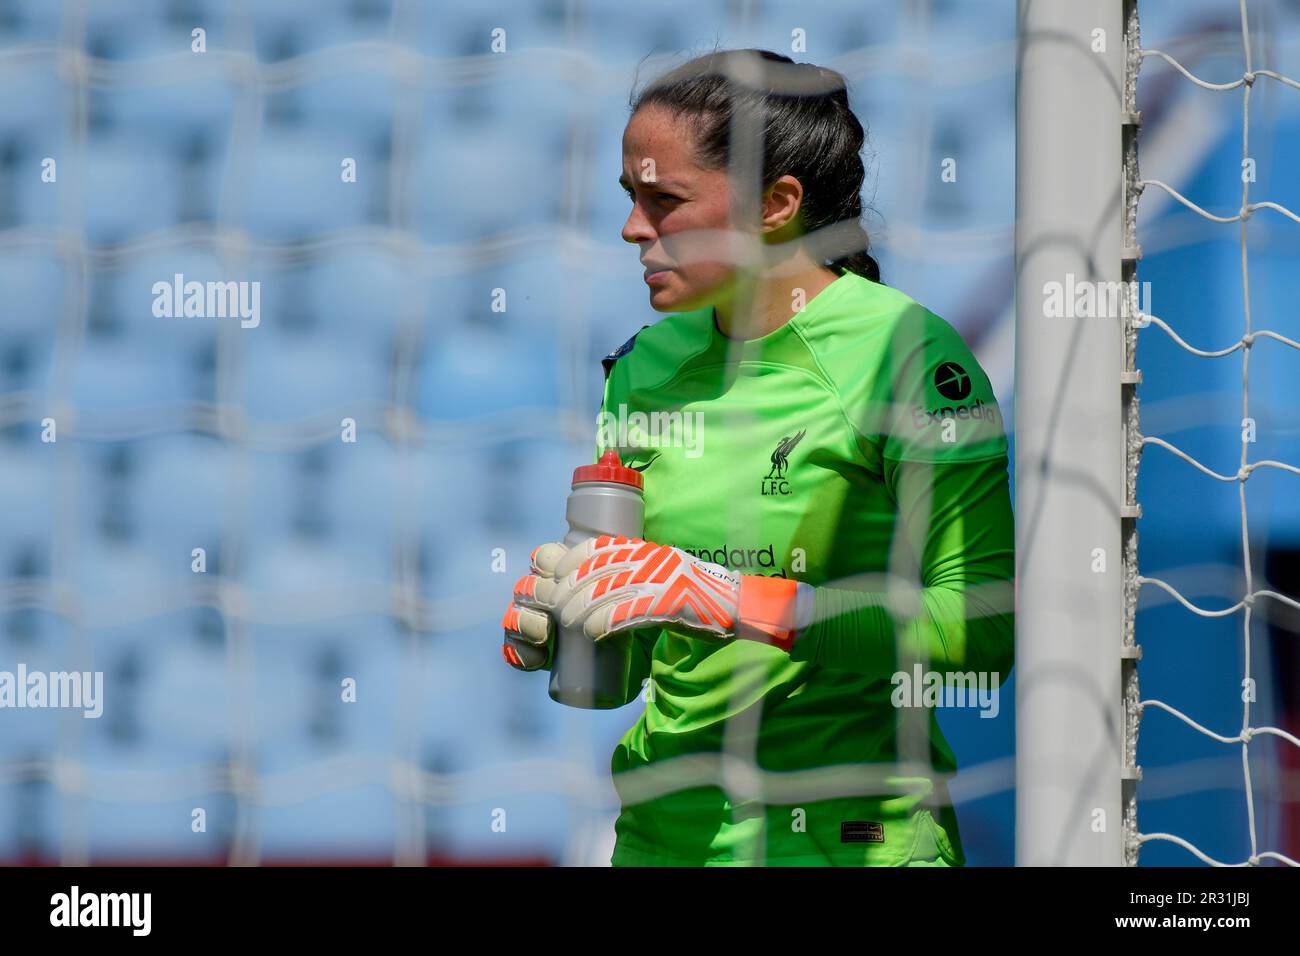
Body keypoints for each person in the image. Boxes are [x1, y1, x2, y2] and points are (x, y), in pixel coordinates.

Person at [501, 48, 1015, 866]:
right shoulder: (642, 366)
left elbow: (983, 633)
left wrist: (738, 600)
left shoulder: (907, 355)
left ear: (777, 205)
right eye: (630, 198)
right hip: (662, 842)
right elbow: (631, 668)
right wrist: (568, 621)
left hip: (854, 843)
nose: (632, 227)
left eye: (664, 200)